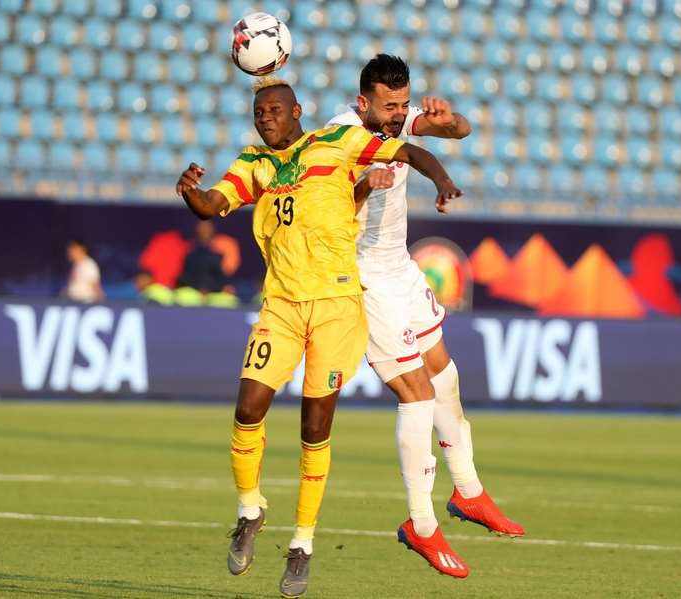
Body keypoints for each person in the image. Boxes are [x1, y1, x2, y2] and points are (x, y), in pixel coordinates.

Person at [175, 77, 461, 598]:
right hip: (281, 305)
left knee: (315, 425)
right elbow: (213, 204)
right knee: (248, 408)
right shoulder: (254, 163)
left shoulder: (337, 142)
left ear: (297, 111)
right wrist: (191, 192)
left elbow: (409, 150)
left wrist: (441, 181)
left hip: (335, 308)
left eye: (274, 109)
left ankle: (302, 543)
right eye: (259, 111)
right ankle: (250, 509)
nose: (265, 117)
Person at [326, 54, 525, 577]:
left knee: (445, 376)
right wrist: (364, 186)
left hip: (400, 267)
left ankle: (469, 492)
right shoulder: (339, 136)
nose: (399, 114)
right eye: (389, 106)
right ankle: (421, 523)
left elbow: (459, 131)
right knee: (416, 393)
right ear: (363, 102)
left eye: (405, 104)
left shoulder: (396, 122)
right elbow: (325, 211)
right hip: (362, 275)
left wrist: (447, 118)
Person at [65, 239, 103, 303]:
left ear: (82, 249)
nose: (70, 252)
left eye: (73, 249)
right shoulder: (76, 265)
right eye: (69, 250)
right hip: (74, 302)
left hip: (85, 303)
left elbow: (95, 286)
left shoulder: (89, 265)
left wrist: (101, 303)